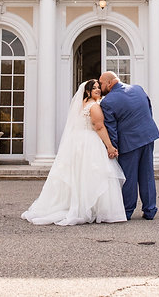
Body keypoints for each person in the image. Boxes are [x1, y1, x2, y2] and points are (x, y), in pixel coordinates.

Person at [21, 79, 127, 225]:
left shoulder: (81, 104)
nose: (97, 90)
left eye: (98, 87)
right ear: (88, 92)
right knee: (94, 174)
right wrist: (109, 146)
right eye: (94, 88)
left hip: (77, 142)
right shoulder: (94, 107)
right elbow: (99, 127)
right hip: (90, 142)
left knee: (80, 175)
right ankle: (92, 208)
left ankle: (82, 205)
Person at [98, 70, 159, 220]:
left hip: (129, 142)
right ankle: (150, 210)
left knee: (129, 178)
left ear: (109, 82)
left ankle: (127, 211)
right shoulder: (138, 89)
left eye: (101, 84)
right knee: (147, 175)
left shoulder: (107, 102)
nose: (100, 87)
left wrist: (113, 148)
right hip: (147, 136)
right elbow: (148, 110)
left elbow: (111, 128)